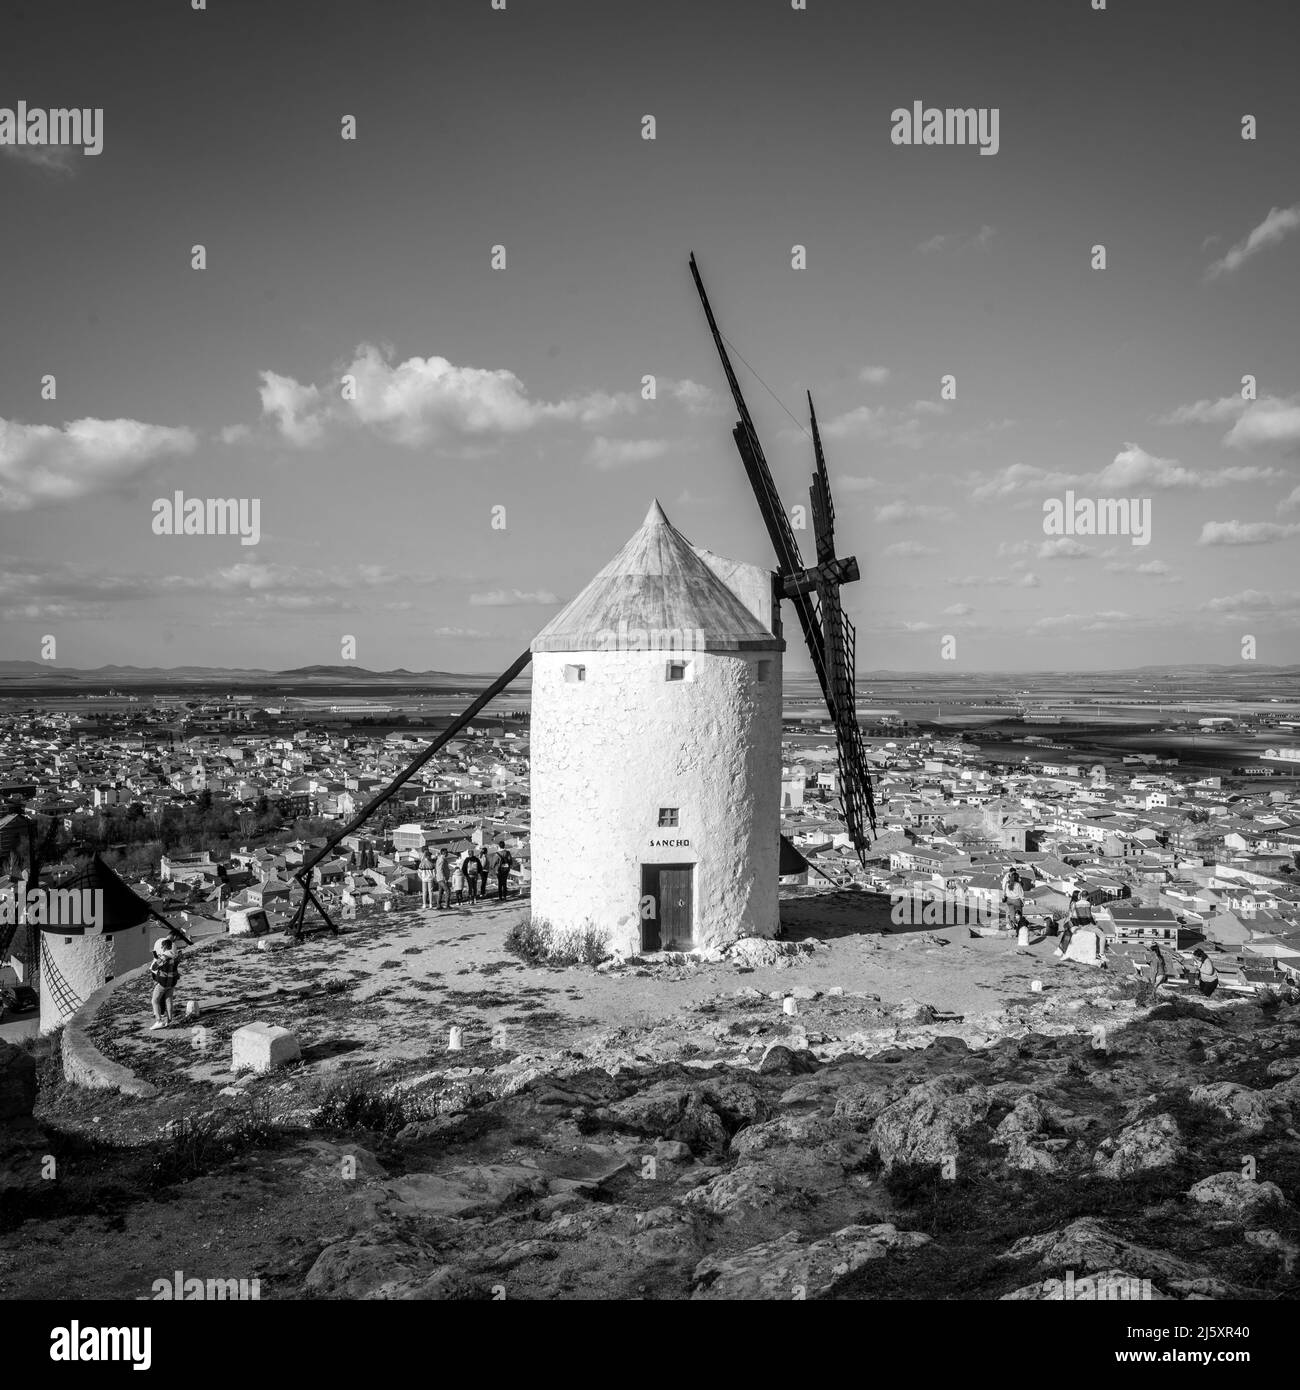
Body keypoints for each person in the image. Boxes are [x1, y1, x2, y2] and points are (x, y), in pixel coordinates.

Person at [149, 936, 182, 1029]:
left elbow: (154, 967)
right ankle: (169, 1020)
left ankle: (159, 1021)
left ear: (163, 947)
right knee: (169, 1000)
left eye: (162, 947)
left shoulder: (163, 957)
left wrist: (156, 958)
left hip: (163, 982)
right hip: (172, 982)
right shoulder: (176, 956)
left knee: (155, 1001)